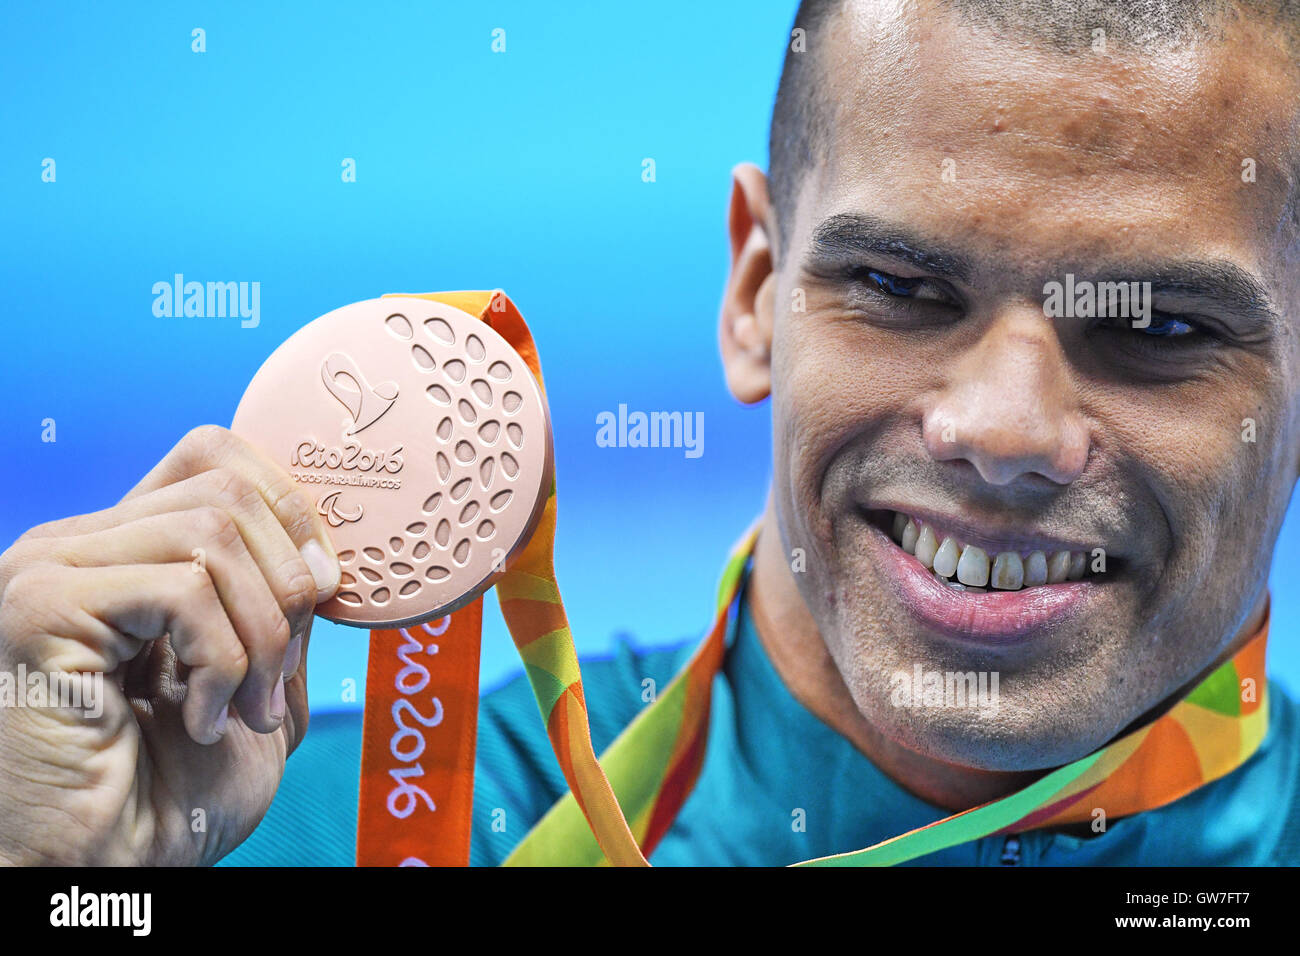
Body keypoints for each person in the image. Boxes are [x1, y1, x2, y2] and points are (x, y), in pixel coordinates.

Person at [3, 0, 1300, 866]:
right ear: (753, 296)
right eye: (901, 291)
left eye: (1164, 328)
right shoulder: (272, 829)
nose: (1004, 431)